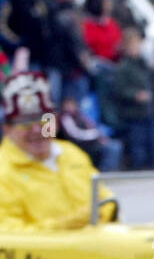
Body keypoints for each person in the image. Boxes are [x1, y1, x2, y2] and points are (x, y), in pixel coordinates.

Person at [0, 70, 115, 231]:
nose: (36, 129)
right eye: (25, 122)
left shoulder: (71, 153)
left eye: (44, 120)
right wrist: (66, 226)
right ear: (7, 129)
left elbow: (106, 199)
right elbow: (8, 235)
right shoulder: (3, 172)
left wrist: (105, 213)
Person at [109, 25, 154, 169]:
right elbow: (119, 90)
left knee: (151, 141)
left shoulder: (145, 64)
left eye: (138, 44)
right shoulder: (124, 67)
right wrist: (135, 95)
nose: (136, 47)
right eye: (132, 45)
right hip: (133, 113)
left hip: (148, 111)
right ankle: (139, 168)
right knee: (137, 144)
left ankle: (151, 167)